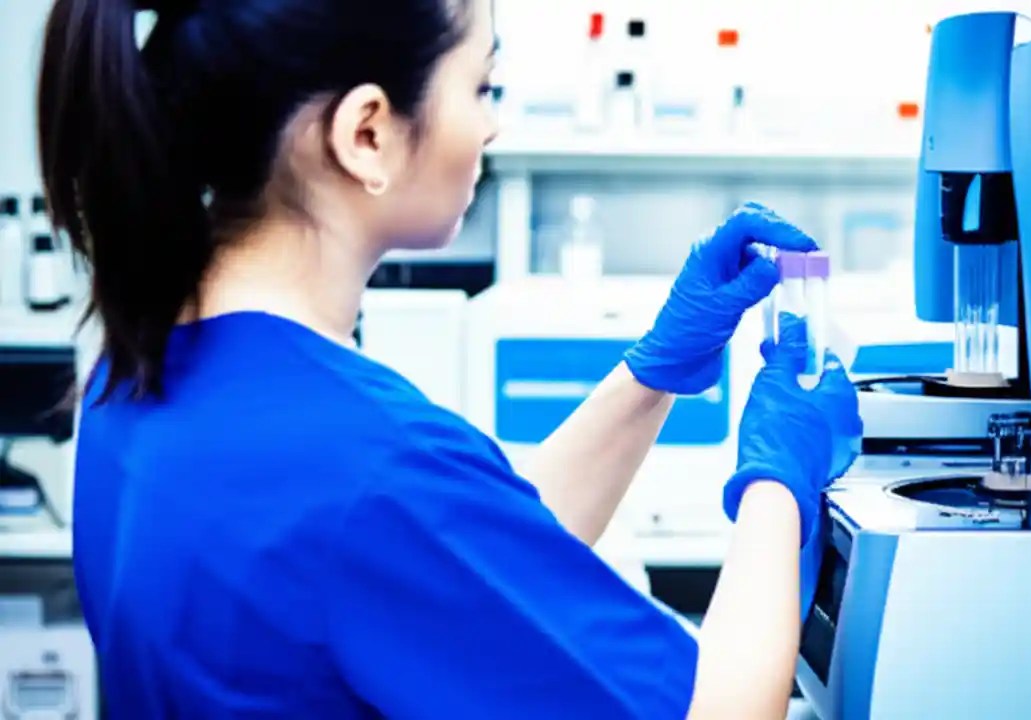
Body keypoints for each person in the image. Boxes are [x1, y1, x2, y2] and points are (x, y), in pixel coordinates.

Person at [37, 0, 863, 717]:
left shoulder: (133, 374)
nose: (492, 124)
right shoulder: (370, 465)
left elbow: (463, 577)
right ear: (367, 133)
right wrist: (777, 481)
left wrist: (650, 375)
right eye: (481, 87)